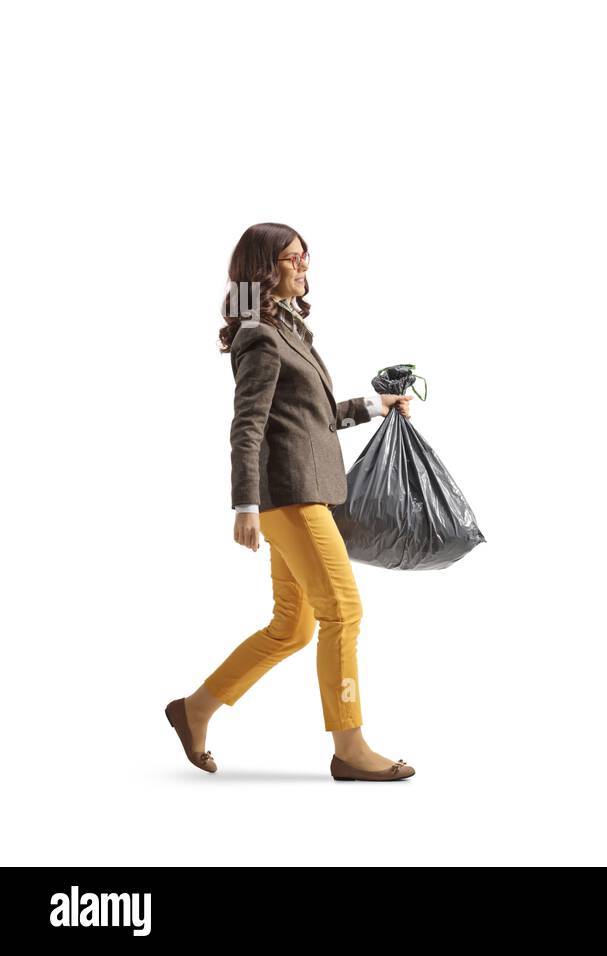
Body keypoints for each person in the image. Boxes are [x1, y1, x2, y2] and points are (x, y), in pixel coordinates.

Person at [165, 222, 416, 782]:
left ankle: (195, 709)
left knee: (292, 628)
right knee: (343, 612)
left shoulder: (290, 330)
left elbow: (314, 419)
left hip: (309, 494)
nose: (304, 267)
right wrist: (245, 506)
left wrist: (376, 407)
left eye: (305, 258)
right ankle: (350, 748)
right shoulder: (259, 333)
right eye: (292, 259)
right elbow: (247, 425)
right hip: (289, 497)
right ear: (263, 268)